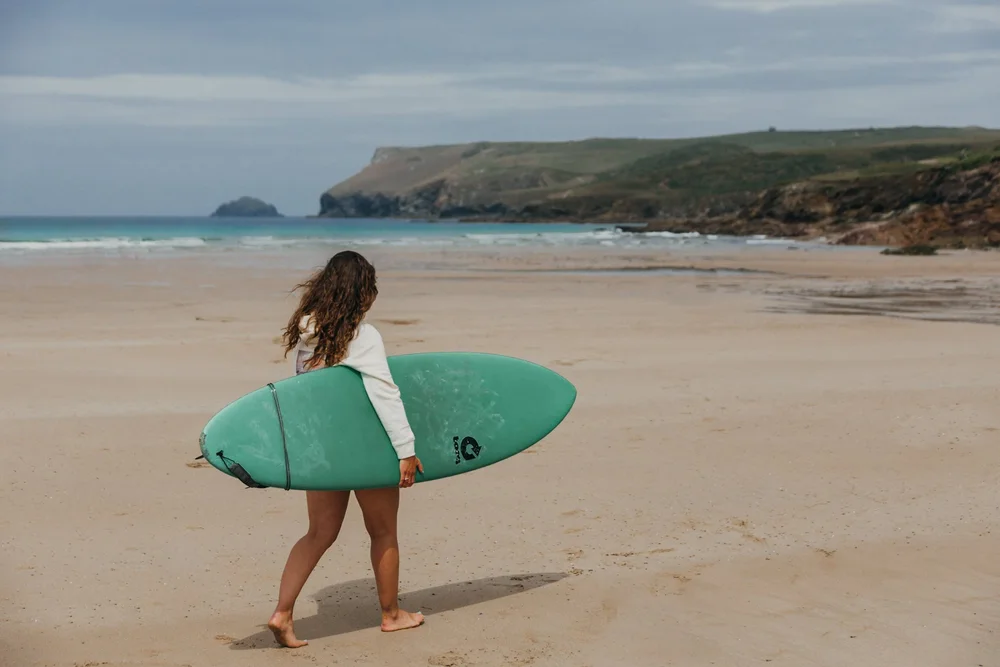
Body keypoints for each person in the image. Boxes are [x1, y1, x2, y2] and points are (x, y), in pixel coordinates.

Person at [267, 250, 425, 648]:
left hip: (323, 449)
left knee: (318, 532)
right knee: (383, 531)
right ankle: (391, 615)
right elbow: (384, 393)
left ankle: (282, 613)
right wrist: (405, 449)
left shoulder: (308, 335)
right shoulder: (362, 336)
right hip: (364, 446)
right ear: (361, 292)